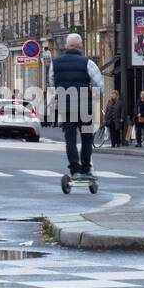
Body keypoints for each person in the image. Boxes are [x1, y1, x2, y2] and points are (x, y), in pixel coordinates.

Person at [49, 34, 102, 179]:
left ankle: (74, 169)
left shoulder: (55, 64)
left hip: (67, 108)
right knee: (86, 139)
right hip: (86, 108)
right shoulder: (88, 63)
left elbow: (52, 83)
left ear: (66, 46)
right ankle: (86, 169)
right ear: (80, 46)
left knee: (70, 140)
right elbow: (99, 85)